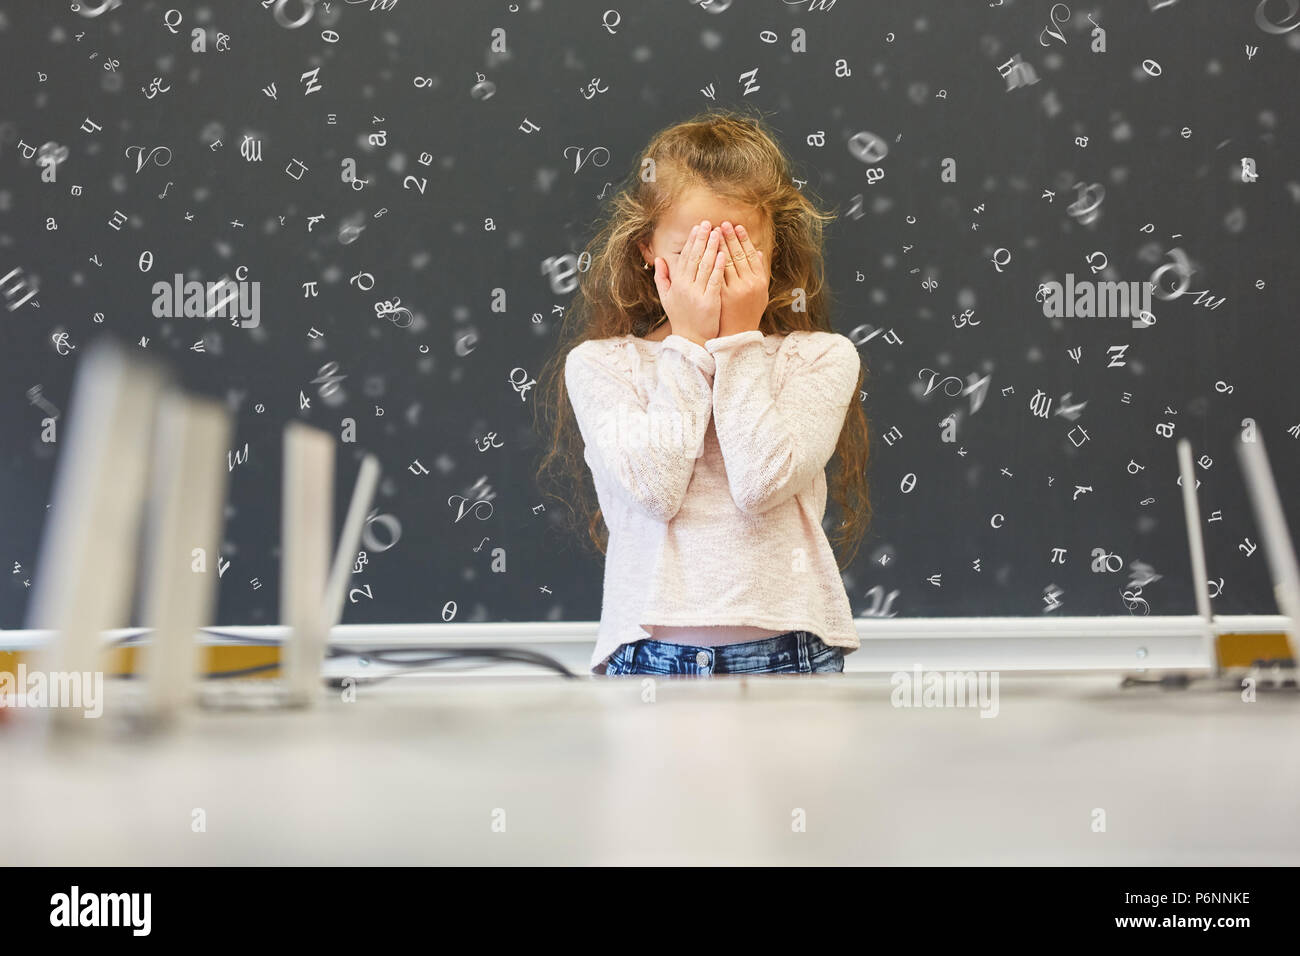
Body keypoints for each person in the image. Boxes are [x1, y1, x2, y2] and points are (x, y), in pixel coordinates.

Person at [535, 109, 873, 676]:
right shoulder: (601, 366)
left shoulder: (818, 357)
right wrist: (689, 344)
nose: (713, 267)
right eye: (693, 247)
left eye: (736, 246)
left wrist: (738, 341)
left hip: (790, 656)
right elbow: (656, 489)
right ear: (647, 248)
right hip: (646, 658)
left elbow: (762, 481)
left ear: (769, 253)